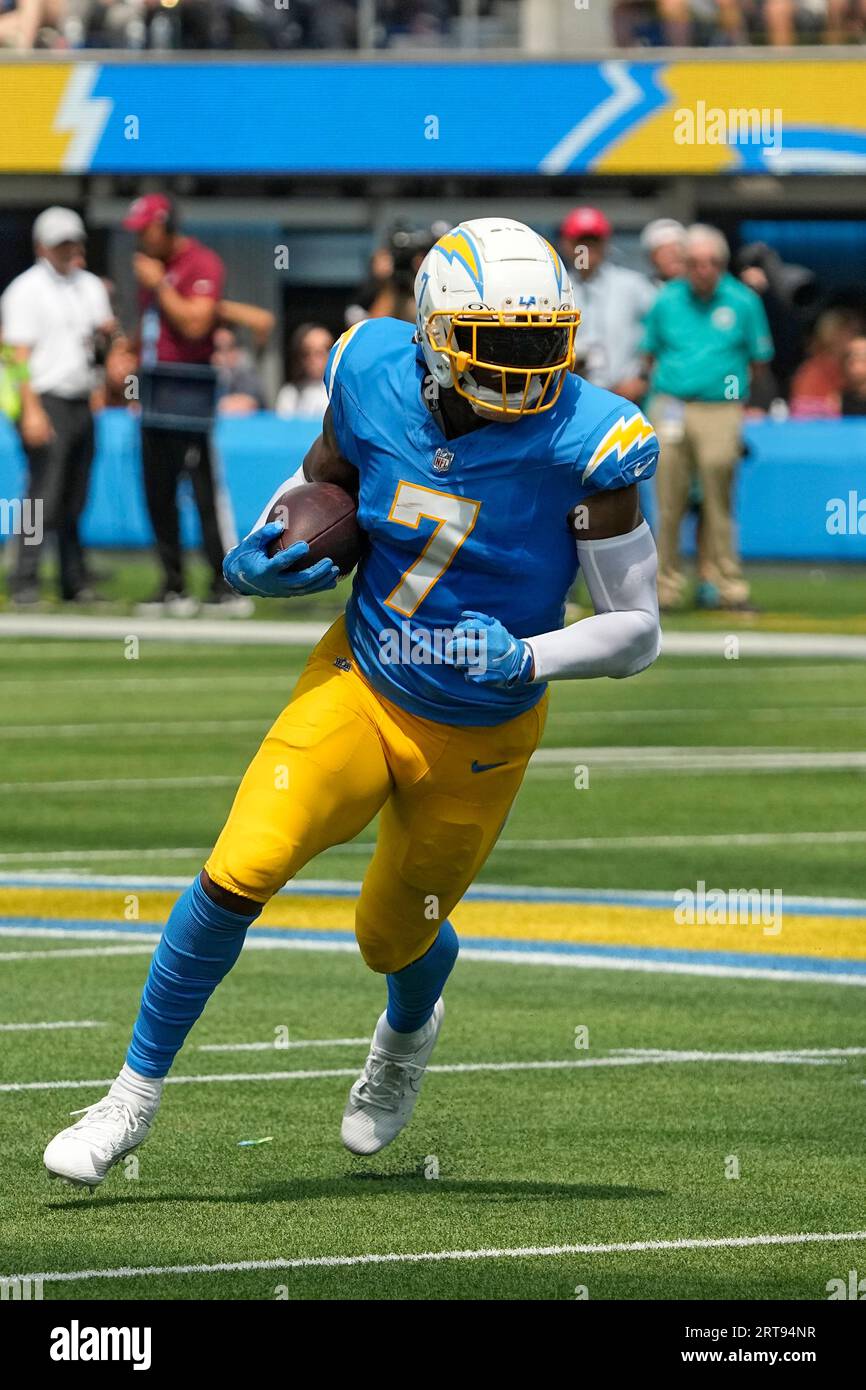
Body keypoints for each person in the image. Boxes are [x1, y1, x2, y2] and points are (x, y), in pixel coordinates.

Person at [43, 217, 662, 1186]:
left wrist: (527, 656)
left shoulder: (593, 438)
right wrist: (269, 539)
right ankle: (129, 1096)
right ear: (432, 332)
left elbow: (637, 628)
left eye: (539, 340)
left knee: (391, 933)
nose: (522, 365)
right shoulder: (370, 367)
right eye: (495, 342)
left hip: (480, 728)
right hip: (363, 676)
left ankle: (407, 1033)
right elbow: (323, 476)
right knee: (244, 860)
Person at [123, 193, 245, 615]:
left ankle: (222, 585)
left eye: (144, 230)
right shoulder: (155, 268)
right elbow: (155, 329)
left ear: (164, 225)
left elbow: (195, 323)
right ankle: (173, 585)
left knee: (202, 489)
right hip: (154, 390)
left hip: (189, 392)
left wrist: (160, 283)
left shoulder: (199, 262)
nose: (139, 239)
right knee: (157, 490)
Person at [641, 223, 774, 612]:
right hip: (671, 403)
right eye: (696, 262)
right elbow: (650, 353)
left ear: (723, 264)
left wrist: (731, 394)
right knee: (667, 499)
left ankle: (726, 585)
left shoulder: (742, 301)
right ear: (685, 264)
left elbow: (759, 360)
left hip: (720, 406)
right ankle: (663, 588)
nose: (704, 269)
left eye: (712, 262)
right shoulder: (666, 300)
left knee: (719, 497)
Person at [0, 206, 114, 604]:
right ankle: (24, 578)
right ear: (42, 246)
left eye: (72, 242)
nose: (68, 249)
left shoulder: (90, 287)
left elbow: (100, 343)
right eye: (60, 243)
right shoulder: (24, 290)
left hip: (81, 397)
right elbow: (16, 357)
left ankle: (74, 579)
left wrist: (101, 381)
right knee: (40, 496)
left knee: (75, 496)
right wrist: (29, 409)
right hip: (45, 398)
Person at [560, 206, 656, 403]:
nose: (586, 250)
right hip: (572, 396)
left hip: (625, 397)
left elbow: (662, 334)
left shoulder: (633, 285)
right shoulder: (556, 287)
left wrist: (643, 377)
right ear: (566, 244)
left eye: (593, 241)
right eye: (580, 242)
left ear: (605, 244)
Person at [789, 309, 861, 420]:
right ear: (832, 334)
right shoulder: (813, 371)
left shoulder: (853, 368)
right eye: (850, 331)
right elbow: (800, 409)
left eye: (857, 332)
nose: (855, 338)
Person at [274, 323, 333, 419]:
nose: (312, 359)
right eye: (306, 352)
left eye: (319, 352)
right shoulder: (288, 394)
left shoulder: (342, 393)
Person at [212, 326, 266, 416]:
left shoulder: (248, 375)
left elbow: (245, 407)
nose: (224, 356)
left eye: (230, 348)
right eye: (218, 349)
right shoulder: (206, 377)